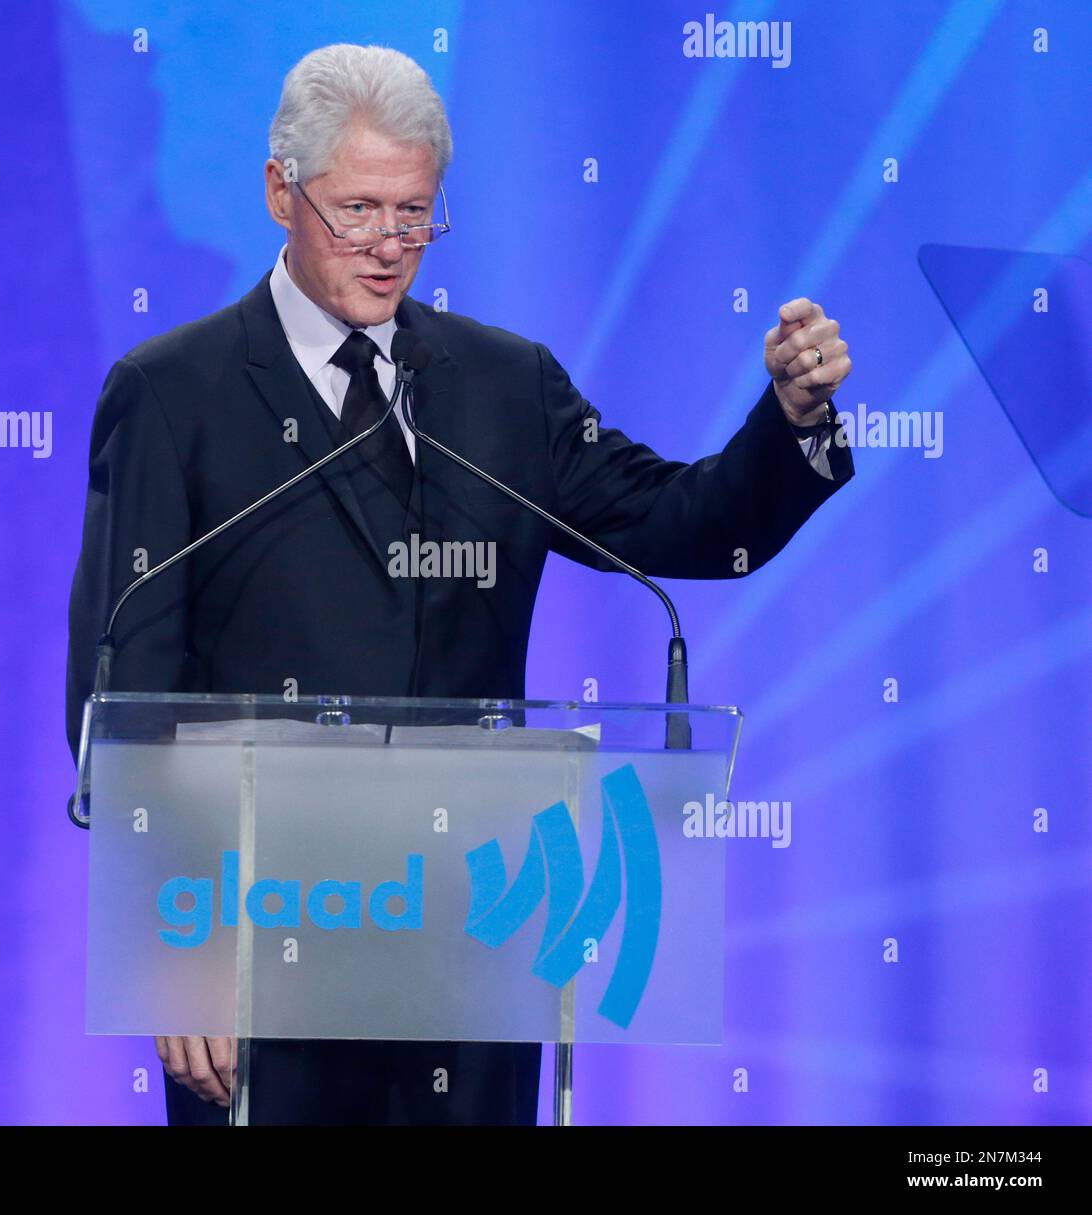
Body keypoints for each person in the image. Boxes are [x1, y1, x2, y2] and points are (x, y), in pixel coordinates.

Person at [65, 42, 854, 1126]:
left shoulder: (501, 386)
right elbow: (123, 690)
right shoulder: (172, 394)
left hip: (474, 945)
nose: (389, 247)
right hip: (258, 945)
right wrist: (172, 947)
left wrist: (792, 425)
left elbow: (687, 525)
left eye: (415, 214)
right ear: (277, 193)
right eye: (357, 210)